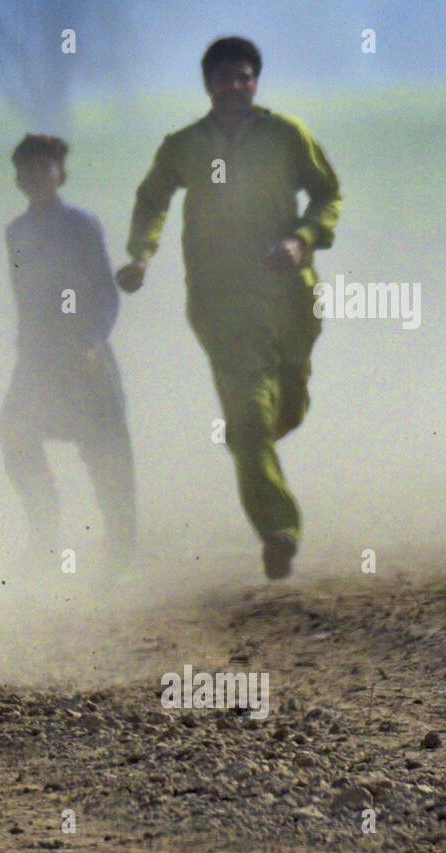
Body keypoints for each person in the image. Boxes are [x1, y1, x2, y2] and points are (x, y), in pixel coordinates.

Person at [116, 37, 341, 580]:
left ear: (256, 81)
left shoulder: (287, 135)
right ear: (207, 83)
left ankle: (250, 439)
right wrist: (142, 255)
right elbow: (152, 200)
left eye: (243, 77)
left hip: (290, 295)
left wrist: (304, 240)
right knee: (247, 416)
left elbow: (328, 193)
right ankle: (278, 530)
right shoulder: (183, 146)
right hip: (220, 301)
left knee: (286, 405)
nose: (234, 86)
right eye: (223, 78)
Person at [0, 134, 137, 574]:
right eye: (26, 171)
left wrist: (94, 341)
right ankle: (44, 531)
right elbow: (24, 299)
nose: (34, 178)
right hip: (40, 357)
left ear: (61, 174)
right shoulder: (16, 232)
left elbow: (104, 289)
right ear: (18, 179)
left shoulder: (82, 225)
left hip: (84, 350)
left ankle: (121, 549)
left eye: (43, 168)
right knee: (14, 431)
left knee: (106, 452)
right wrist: (27, 351)